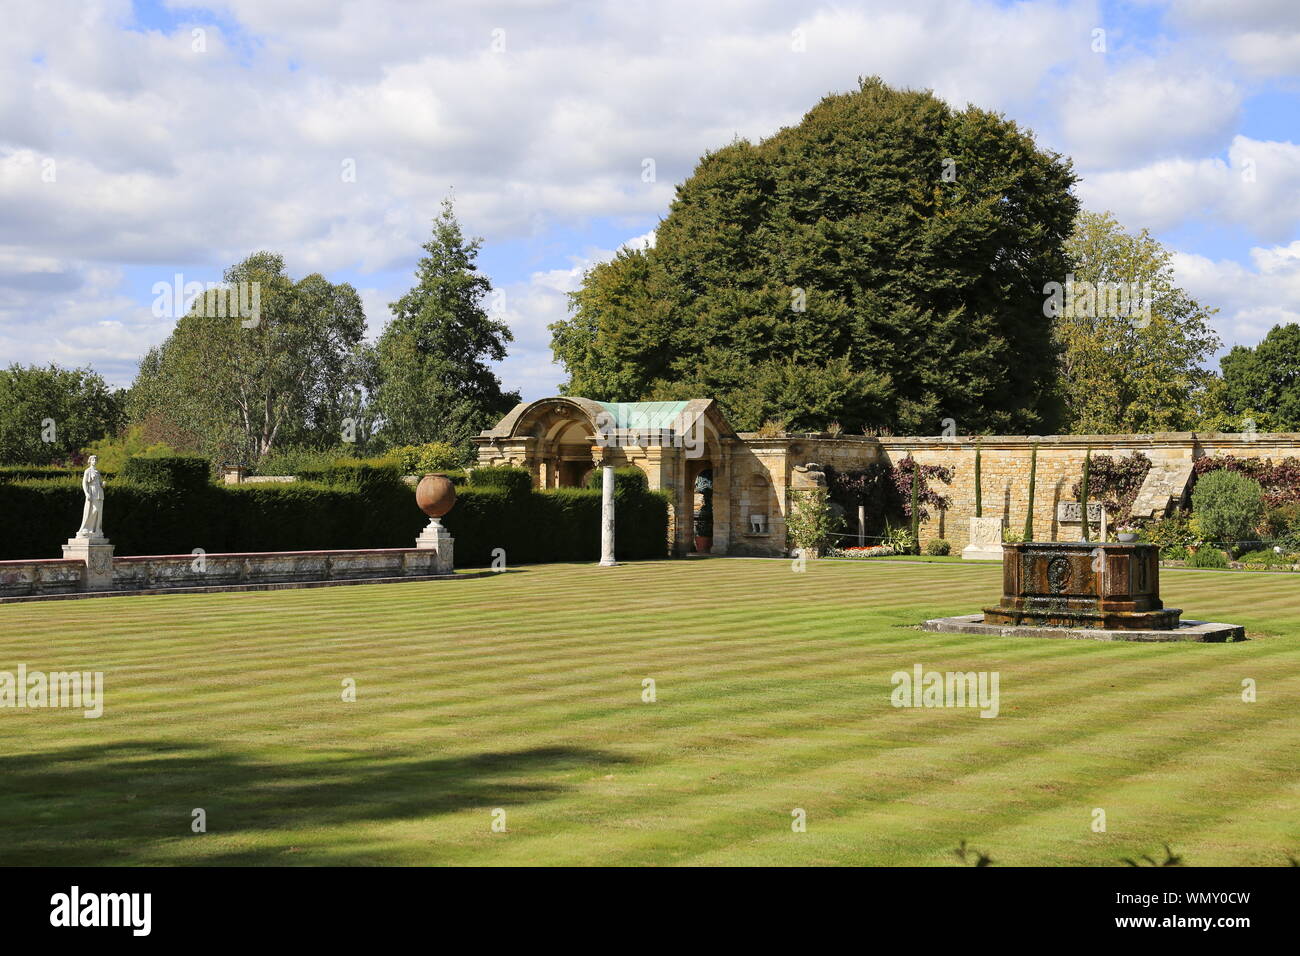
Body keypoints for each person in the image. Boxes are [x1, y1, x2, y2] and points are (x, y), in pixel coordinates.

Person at [77, 455, 105, 538]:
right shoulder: (87, 471)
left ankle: (96, 529)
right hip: (92, 491)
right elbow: (84, 483)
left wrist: (103, 484)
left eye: (96, 460)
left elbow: (100, 483)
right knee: (92, 510)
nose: (95, 461)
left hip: (99, 491)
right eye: (93, 460)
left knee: (98, 512)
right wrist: (86, 493)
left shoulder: (97, 471)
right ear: (90, 461)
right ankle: (87, 528)